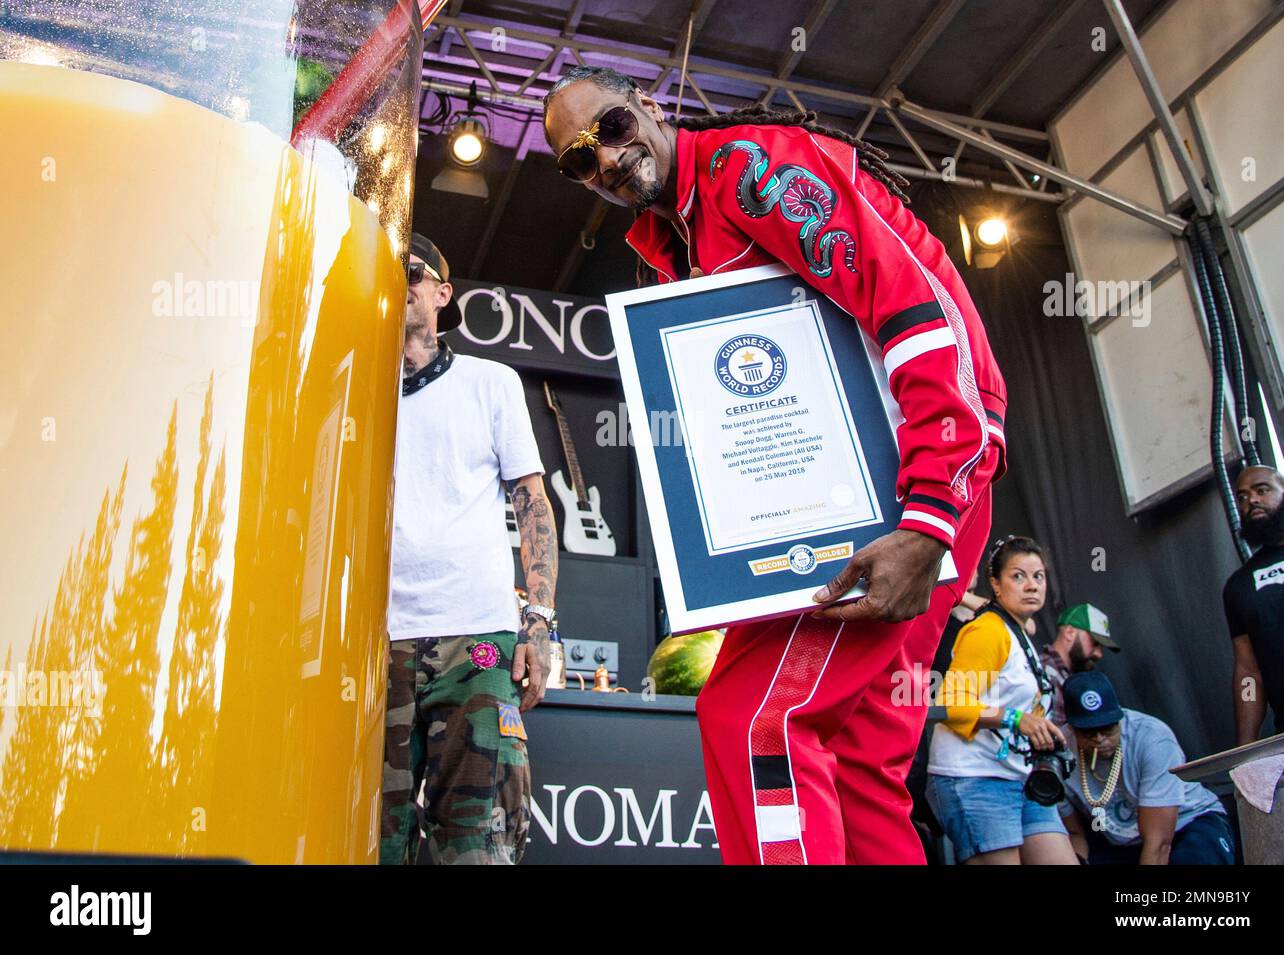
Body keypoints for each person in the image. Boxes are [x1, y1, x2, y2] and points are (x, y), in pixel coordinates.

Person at [542, 66, 1007, 864]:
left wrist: (930, 517)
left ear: (649, 107)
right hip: (862, 514)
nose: (607, 162)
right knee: (862, 769)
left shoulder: (753, 169)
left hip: (905, 503)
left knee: (755, 718)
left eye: (612, 129)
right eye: (579, 161)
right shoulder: (669, 253)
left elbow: (919, 311)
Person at [381, 233, 559, 865]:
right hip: (377, 649)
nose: (397, 278)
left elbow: (533, 504)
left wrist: (538, 625)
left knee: (478, 848)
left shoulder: (492, 382)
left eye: (411, 270)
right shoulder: (351, 389)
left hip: (478, 642)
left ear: (441, 292)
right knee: (372, 842)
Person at [926, 536, 1077, 864]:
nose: (1031, 585)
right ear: (995, 583)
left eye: (1038, 577)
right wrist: (1014, 718)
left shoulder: (1018, 629)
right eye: (1018, 576)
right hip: (975, 778)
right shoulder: (987, 631)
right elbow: (948, 703)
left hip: (1020, 777)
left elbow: (1031, 623)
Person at [1059, 672, 1235, 865]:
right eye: (1089, 732)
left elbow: (1159, 844)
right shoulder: (1060, 752)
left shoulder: (1152, 739)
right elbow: (1075, 834)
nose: (1100, 738)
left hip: (1186, 823)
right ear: (1072, 729)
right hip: (1121, 841)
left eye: (1108, 728)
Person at [1223, 465, 1284, 743]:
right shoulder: (1239, 586)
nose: (1251, 500)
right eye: (1242, 497)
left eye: (1262, 490)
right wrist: (1245, 751)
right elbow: (1248, 673)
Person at [1041, 603, 1120, 747]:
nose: (1099, 654)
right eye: (1095, 643)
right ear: (1070, 632)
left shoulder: (1068, 676)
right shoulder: (1045, 673)